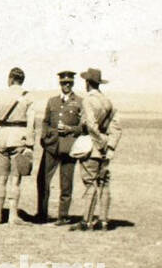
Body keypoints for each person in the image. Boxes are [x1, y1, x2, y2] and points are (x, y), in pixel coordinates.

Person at [0, 67, 36, 225]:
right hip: (19, 138)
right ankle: (13, 216)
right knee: (15, 180)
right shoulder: (28, 97)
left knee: (1, 179)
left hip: (3, 138)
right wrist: (29, 143)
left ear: (10, 79)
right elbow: (31, 123)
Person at [75, 67, 122, 231]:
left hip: (92, 147)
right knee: (104, 183)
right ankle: (103, 221)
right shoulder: (107, 101)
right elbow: (116, 127)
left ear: (87, 83)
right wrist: (109, 147)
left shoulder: (88, 100)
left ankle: (86, 222)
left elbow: (91, 125)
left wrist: (100, 144)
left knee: (90, 182)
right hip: (105, 149)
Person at [37, 70, 84, 225]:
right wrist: (44, 137)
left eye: (69, 82)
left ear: (73, 83)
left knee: (66, 183)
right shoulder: (52, 102)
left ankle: (63, 216)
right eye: (64, 83)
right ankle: (42, 214)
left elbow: (83, 127)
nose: (66, 85)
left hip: (69, 148)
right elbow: (45, 121)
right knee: (42, 180)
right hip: (51, 147)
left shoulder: (79, 102)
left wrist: (70, 130)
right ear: (60, 84)